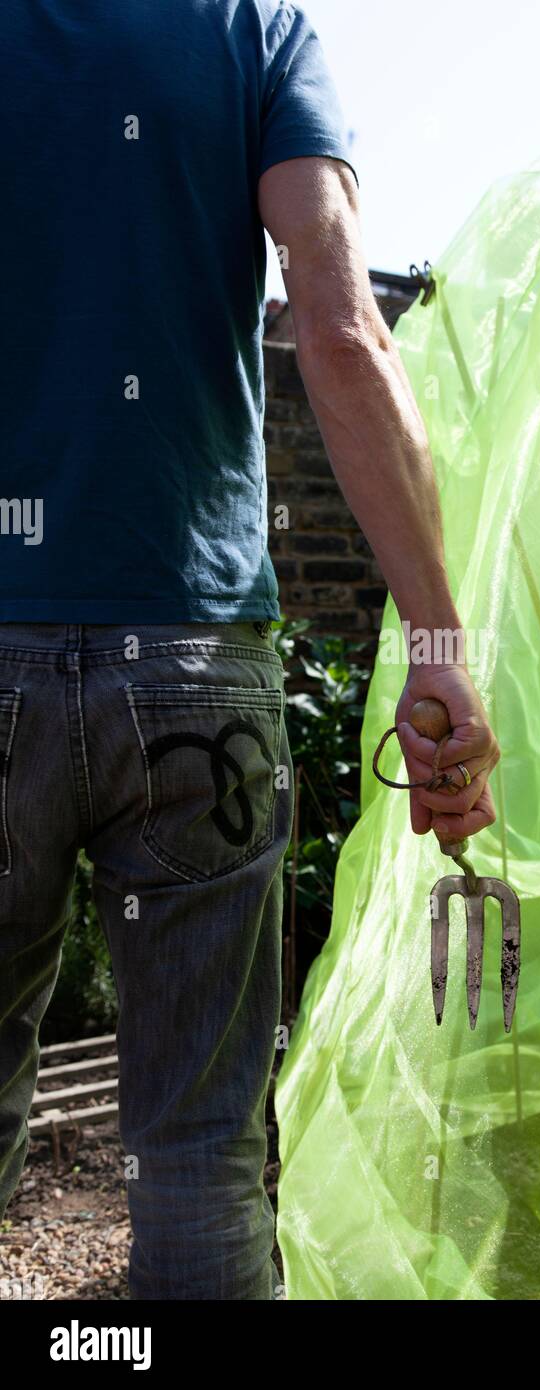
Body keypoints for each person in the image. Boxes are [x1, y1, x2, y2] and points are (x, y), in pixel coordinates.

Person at [0, 0, 498, 1300]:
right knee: (205, 1153)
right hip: (194, 669)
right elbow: (339, 333)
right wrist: (436, 642)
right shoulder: (252, 35)